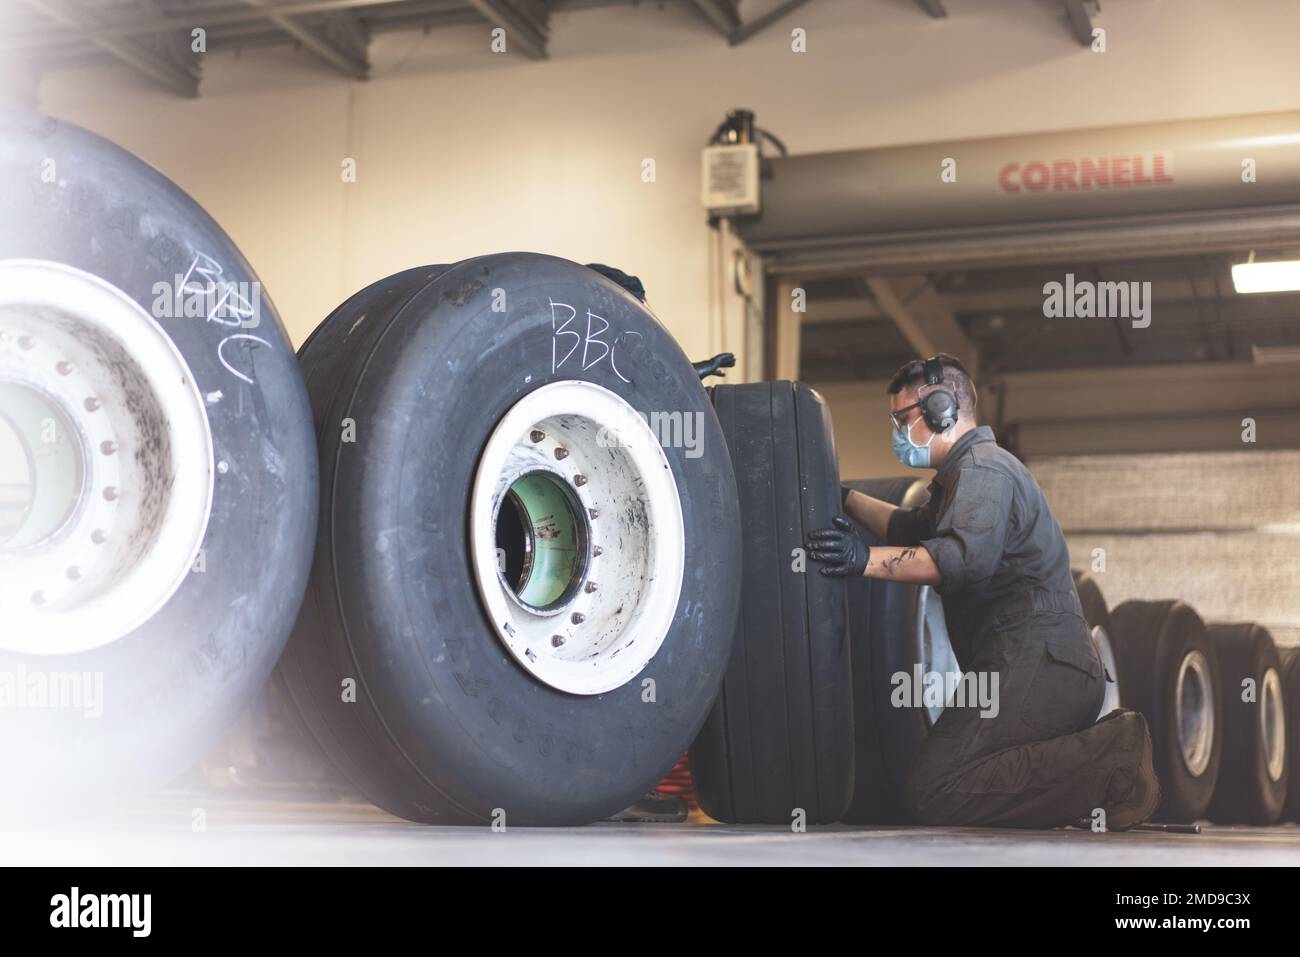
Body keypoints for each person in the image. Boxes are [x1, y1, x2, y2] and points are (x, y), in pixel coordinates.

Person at [805, 354, 1160, 829]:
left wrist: (861, 561)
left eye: (901, 418)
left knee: (935, 788)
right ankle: (1093, 771)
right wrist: (840, 494)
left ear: (940, 410)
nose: (896, 431)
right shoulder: (962, 478)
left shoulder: (983, 470)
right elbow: (907, 526)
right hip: (1029, 661)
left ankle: (1116, 754)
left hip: (1040, 661)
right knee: (953, 782)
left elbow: (962, 561)